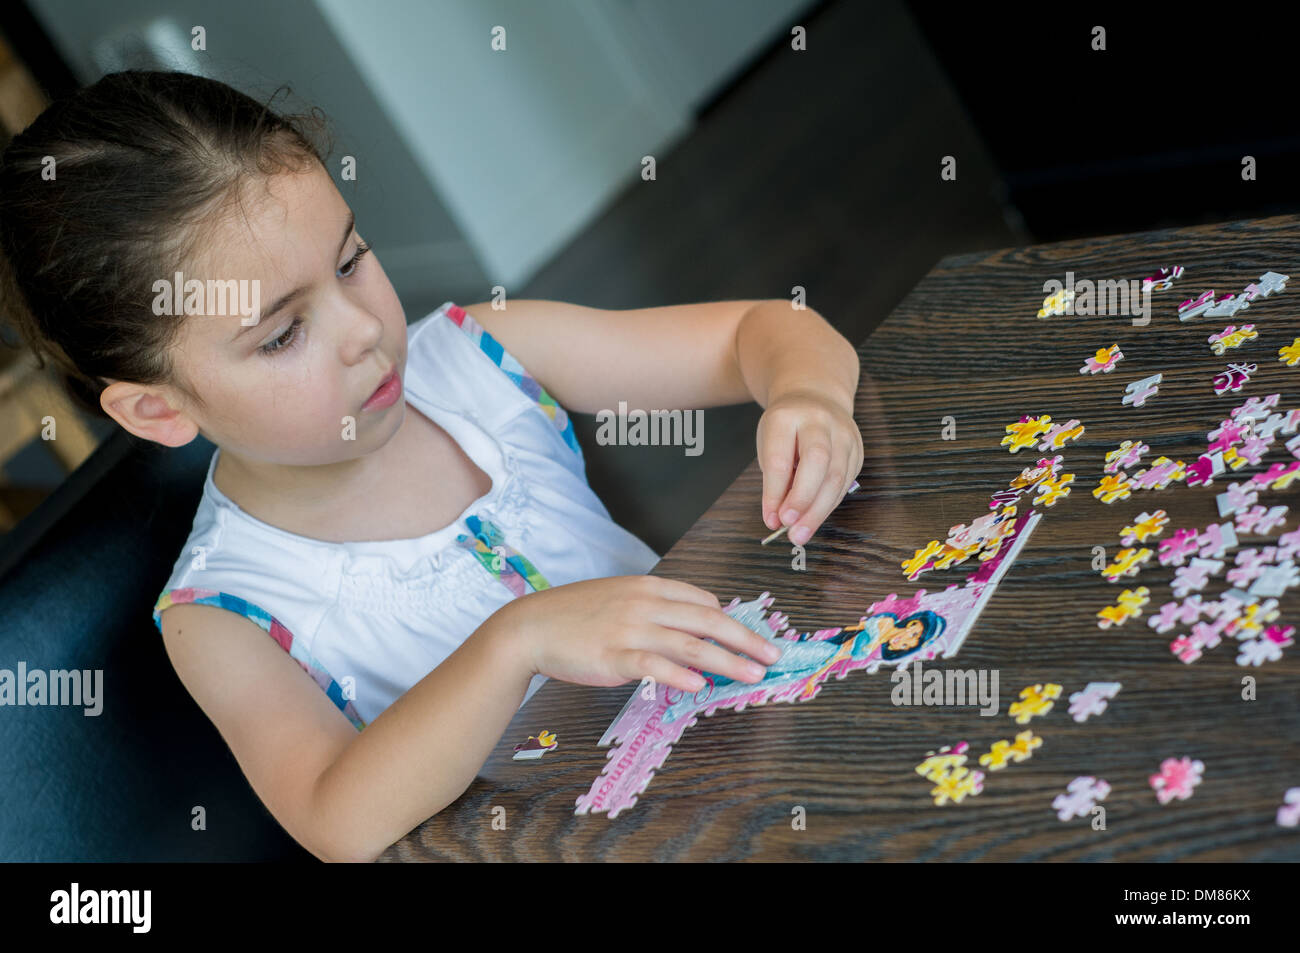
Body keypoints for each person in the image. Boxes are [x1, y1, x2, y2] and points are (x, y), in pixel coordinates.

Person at [0, 70, 863, 862]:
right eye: (283, 333)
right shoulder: (223, 614)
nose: (362, 330)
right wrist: (517, 640)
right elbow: (337, 817)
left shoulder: (479, 356)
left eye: (351, 261)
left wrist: (808, 398)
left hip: (747, 749)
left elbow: (765, 332)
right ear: (157, 408)